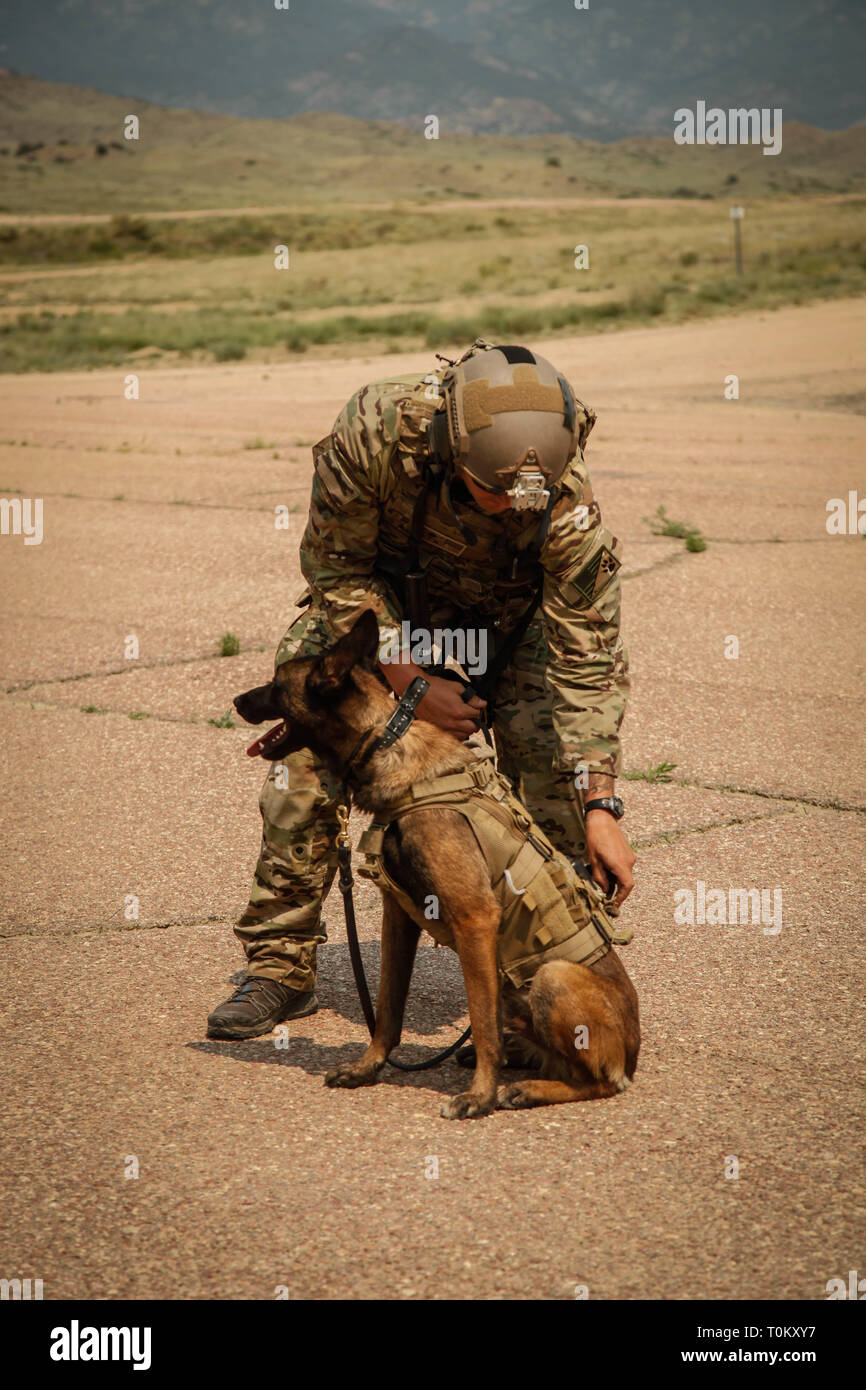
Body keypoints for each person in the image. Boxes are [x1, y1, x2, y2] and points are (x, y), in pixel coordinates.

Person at [207, 341, 634, 1039]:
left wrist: (600, 803)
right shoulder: (373, 431)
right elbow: (335, 567)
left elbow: (588, 652)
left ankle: (545, 989)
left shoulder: (559, 492)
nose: (513, 508)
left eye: (526, 496)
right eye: (494, 492)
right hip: (381, 621)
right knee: (307, 755)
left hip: (508, 628)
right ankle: (280, 962)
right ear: (448, 450)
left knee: (557, 770)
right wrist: (410, 679)